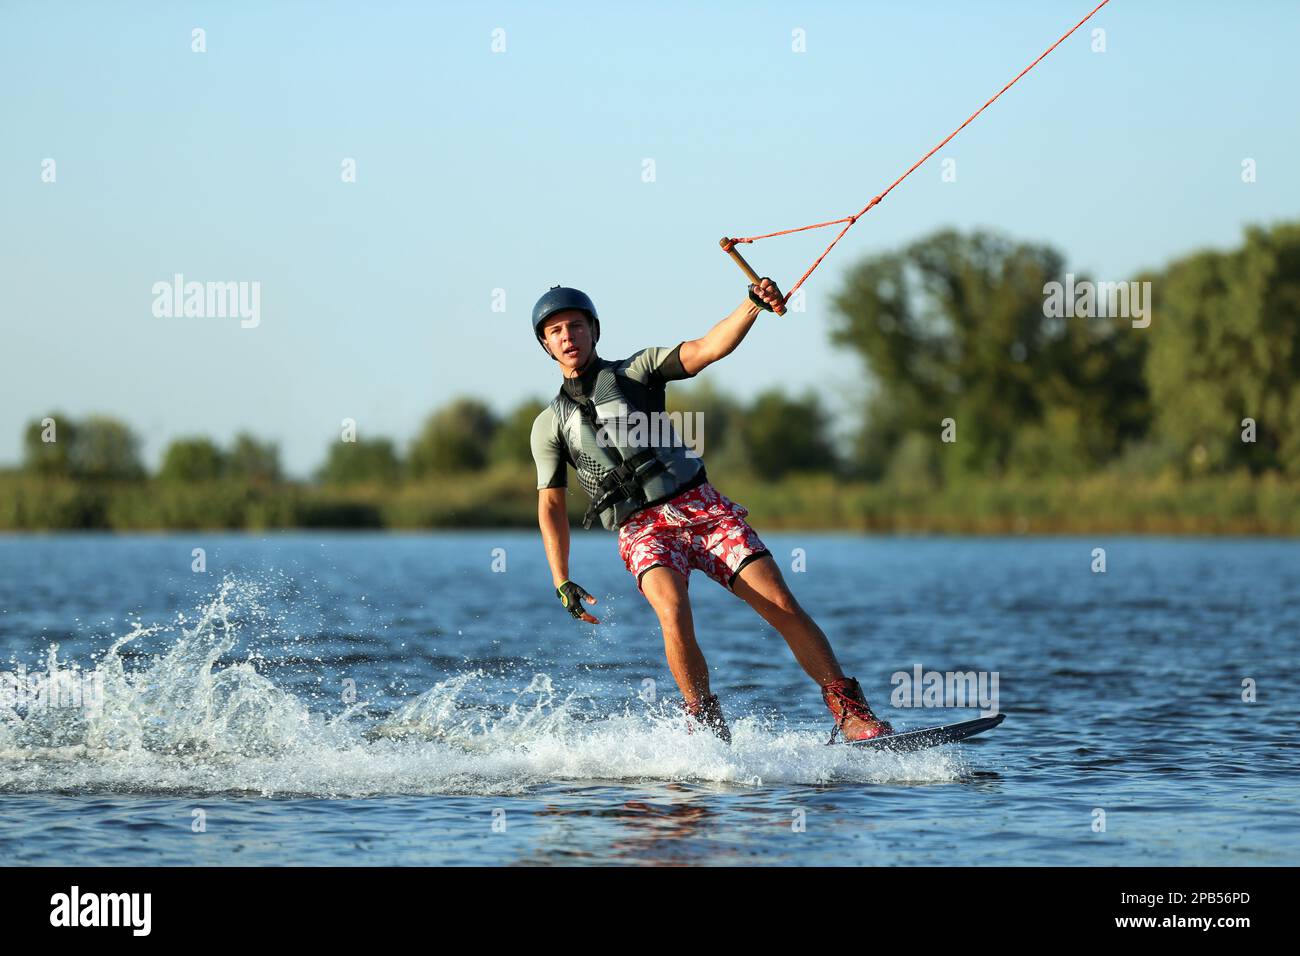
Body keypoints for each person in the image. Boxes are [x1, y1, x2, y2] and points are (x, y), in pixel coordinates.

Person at [528, 282, 893, 744]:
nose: (567, 336)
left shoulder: (637, 371)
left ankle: (852, 714)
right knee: (673, 612)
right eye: (555, 331)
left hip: (702, 509)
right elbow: (550, 504)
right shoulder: (548, 425)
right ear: (546, 343)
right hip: (642, 530)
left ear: (593, 330)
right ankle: (706, 730)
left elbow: (707, 348)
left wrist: (751, 306)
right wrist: (561, 578)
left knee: (780, 604)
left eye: (576, 326)